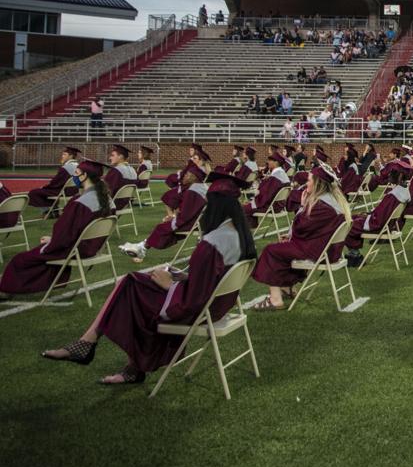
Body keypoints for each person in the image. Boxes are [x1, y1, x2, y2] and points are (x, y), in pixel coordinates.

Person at [40, 190, 256, 385]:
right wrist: (183, 276)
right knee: (130, 282)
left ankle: (91, 346)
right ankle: (107, 354)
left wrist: (169, 284)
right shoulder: (238, 234)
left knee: (129, 285)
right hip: (217, 306)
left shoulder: (213, 241)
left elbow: (192, 299)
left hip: (197, 310)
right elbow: (213, 279)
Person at [0, 160, 113, 298]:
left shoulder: (81, 203)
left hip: (75, 249)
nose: (74, 177)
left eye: (76, 174)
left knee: (20, 259)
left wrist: (51, 242)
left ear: (85, 176)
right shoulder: (107, 199)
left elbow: (64, 235)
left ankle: (6, 289)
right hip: (94, 247)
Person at [249, 164, 350, 311]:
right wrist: (291, 237)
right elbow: (309, 230)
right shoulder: (331, 201)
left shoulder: (322, 205)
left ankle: (275, 299)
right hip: (327, 249)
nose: (306, 183)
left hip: (318, 252)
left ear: (317, 183)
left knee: (271, 250)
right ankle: (287, 287)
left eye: (309, 180)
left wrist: (302, 207)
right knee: (284, 247)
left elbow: (301, 228)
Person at [119, 156, 212, 262]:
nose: (184, 176)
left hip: (191, 224)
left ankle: (142, 248)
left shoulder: (193, 192)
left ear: (193, 177)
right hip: (199, 223)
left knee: (162, 227)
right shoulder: (202, 188)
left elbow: (185, 216)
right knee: (163, 226)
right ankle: (141, 247)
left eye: (187, 174)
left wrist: (173, 220)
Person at [27, 146, 82, 213]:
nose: (62, 156)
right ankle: (53, 210)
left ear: (71, 156)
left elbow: (56, 182)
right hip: (75, 190)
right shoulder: (78, 166)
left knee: (34, 193)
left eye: (64, 154)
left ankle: (48, 211)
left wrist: (45, 187)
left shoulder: (66, 168)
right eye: (62, 154)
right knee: (46, 192)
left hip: (65, 191)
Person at [243, 151, 291, 228]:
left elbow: (266, 195)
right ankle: (252, 226)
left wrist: (252, 201)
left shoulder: (275, 177)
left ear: (276, 162)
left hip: (272, 207)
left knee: (244, 208)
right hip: (280, 206)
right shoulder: (281, 173)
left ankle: (247, 229)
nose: (267, 162)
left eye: (270, 160)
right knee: (249, 205)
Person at [104, 145, 139, 210]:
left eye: (112, 155)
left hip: (112, 205)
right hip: (125, 204)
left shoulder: (116, 171)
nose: (110, 158)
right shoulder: (133, 170)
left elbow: (106, 190)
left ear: (120, 156)